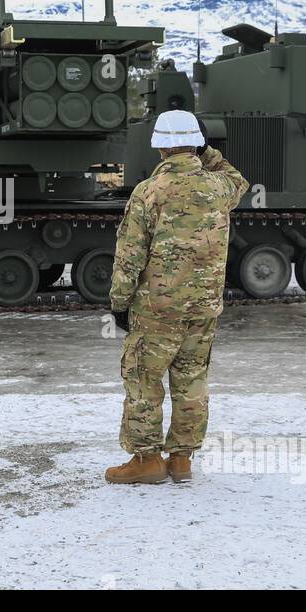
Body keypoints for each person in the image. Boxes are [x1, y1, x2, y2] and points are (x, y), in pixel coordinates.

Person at [105, 110, 249, 485]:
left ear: (160, 144)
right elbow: (239, 180)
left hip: (157, 308)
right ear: (198, 143)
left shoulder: (149, 191)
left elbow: (130, 254)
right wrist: (209, 152)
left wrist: (119, 303)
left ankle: (147, 460)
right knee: (191, 382)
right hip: (203, 307)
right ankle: (182, 460)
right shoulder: (219, 187)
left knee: (142, 380)